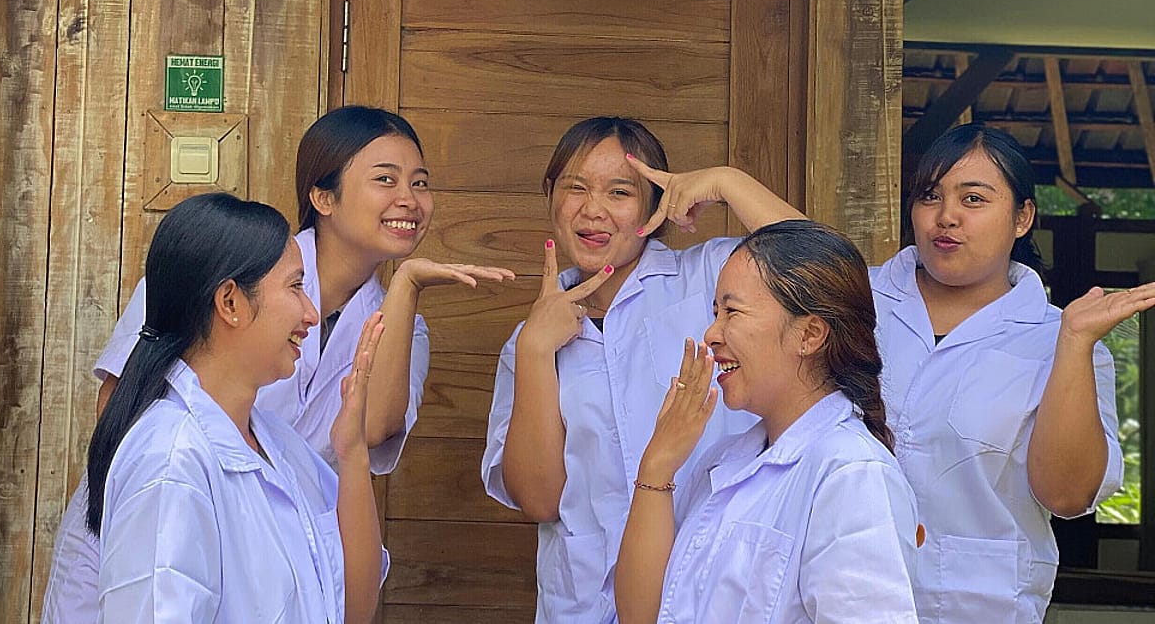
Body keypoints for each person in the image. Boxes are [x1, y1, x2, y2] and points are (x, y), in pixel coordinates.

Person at [630, 122, 1145, 622]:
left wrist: (1074, 343)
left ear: (1022, 217)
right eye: (930, 196)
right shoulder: (865, 299)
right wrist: (727, 182)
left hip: (979, 611)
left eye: (973, 199)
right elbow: (800, 253)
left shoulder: (1057, 338)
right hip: (832, 595)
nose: (946, 217)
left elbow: (1067, 495)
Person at [44, 106, 514, 621]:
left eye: (420, 182)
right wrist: (195, 497)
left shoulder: (399, 326)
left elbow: (369, 431)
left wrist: (405, 287)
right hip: (147, 534)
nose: (409, 199)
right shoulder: (219, 267)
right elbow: (121, 402)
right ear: (323, 197)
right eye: (386, 179)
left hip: (275, 550)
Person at [481, 116, 801, 621]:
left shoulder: (711, 278)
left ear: (654, 208)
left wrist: (726, 181)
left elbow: (824, 267)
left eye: (619, 192)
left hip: (709, 593)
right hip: (582, 605)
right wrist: (536, 352)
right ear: (551, 198)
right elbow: (539, 501)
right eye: (575, 188)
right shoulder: (529, 340)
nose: (593, 210)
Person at [86, 192, 385, 621]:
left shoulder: (276, 444)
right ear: (230, 303)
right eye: (296, 286)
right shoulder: (171, 459)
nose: (310, 313)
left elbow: (351, 609)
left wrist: (352, 450)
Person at [615, 220, 919, 623]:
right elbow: (642, 615)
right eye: (715, 312)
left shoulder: (852, 474)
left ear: (809, 335)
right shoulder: (722, 463)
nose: (711, 333)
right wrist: (657, 466)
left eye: (732, 312)